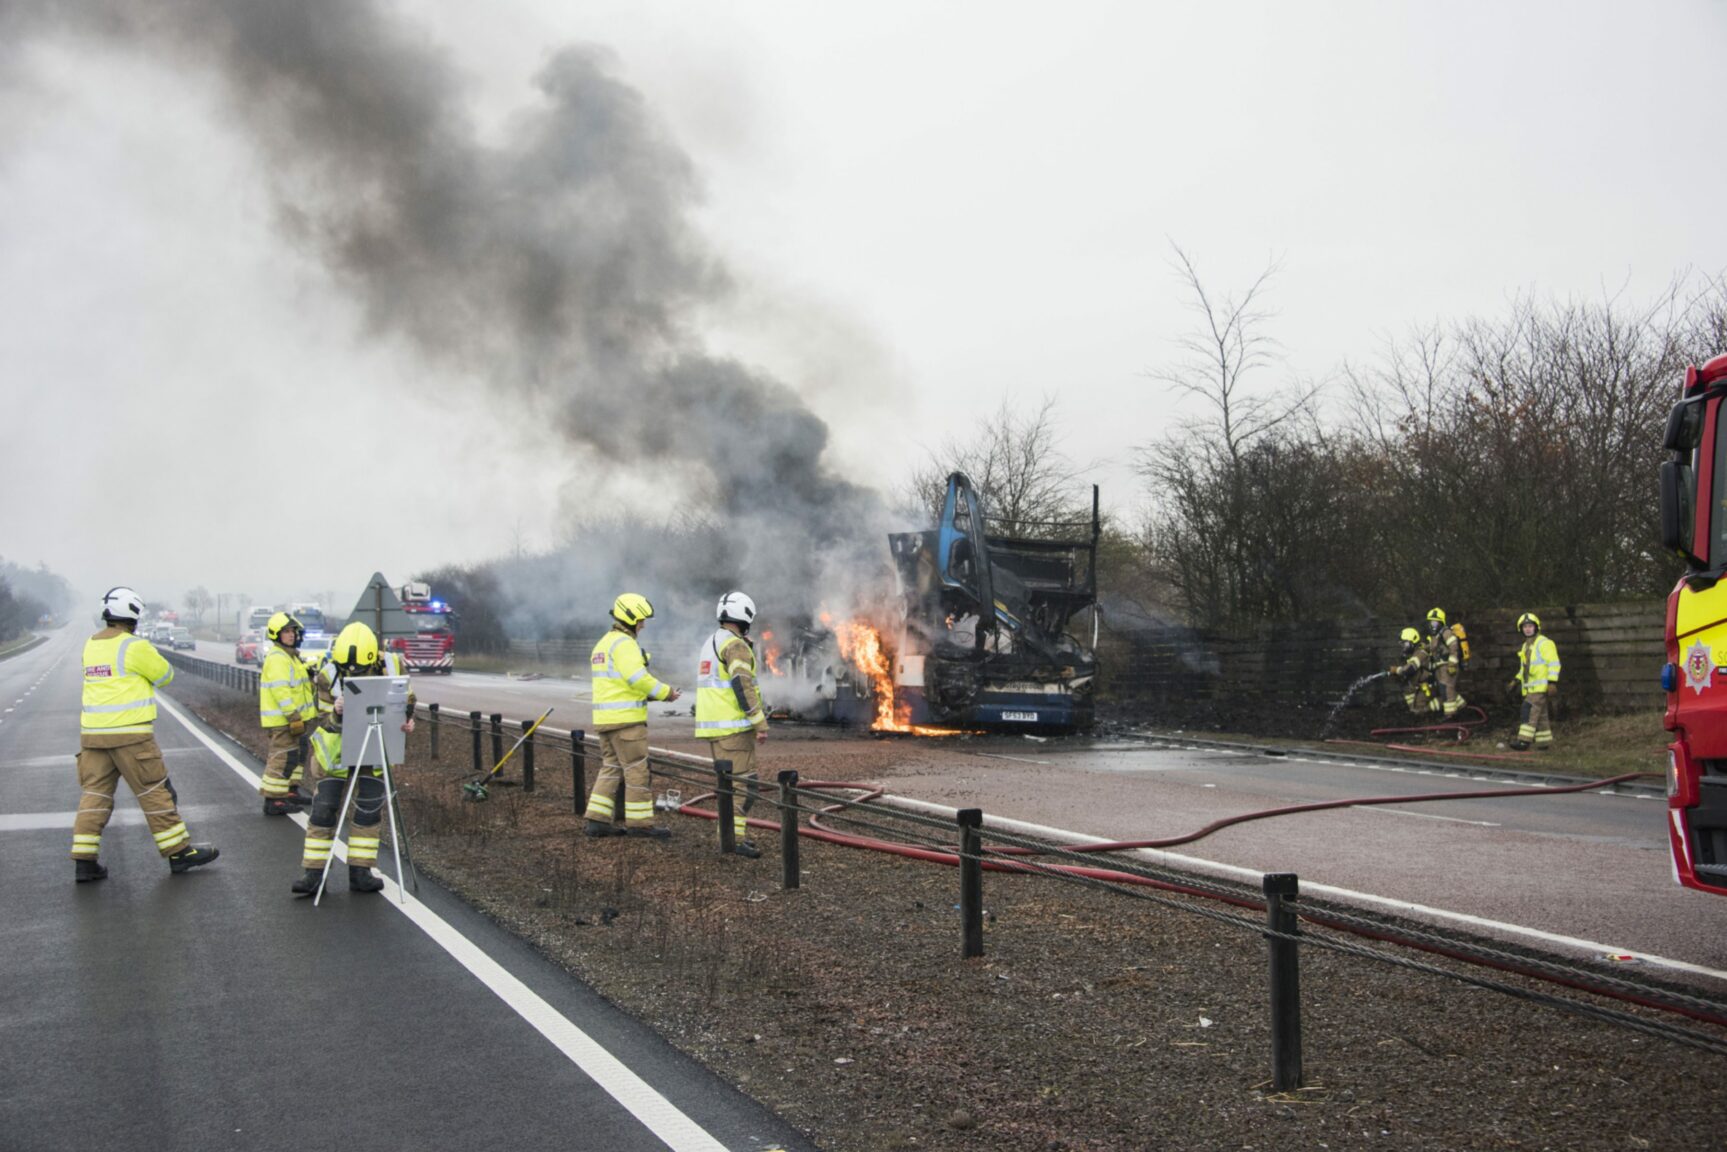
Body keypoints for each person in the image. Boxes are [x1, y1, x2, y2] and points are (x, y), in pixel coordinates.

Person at [72, 587, 218, 881]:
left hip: (93, 737)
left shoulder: (90, 645)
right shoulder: (134, 646)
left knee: (94, 796)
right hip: (131, 737)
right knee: (155, 792)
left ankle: (84, 863)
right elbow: (165, 675)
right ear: (133, 614)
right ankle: (179, 853)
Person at [290, 622, 414, 896]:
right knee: (324, 812)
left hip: (374, 752)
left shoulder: (392, 665)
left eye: (359, 670)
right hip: (334, 756)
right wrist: (335, 711)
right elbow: (321, 717)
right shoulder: (327, 674)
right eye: (348, 670)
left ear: (373, 656)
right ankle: (313, 875)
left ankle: (361, 872)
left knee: (368, 812)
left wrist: (407, 720)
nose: (352, 674)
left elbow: (407, 700)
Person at [583, 593, 681, 839]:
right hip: (627, 722)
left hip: (606, 721)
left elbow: (618, 684)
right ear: (631, 618)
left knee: (610, 768)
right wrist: (666, 692)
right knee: (637, 770)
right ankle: (640, 825)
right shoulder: (625, 644)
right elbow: (637, 678)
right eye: (641, 620)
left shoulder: (603, 643)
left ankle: (597, 821)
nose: (644, 625)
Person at [695, 591, 769, 859]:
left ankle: (730, 838)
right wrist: (759, 721)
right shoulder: (735, 646)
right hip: (733, 729)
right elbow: (742, 684)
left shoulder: (712, 641)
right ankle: (732, 840)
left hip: (715, 728)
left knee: (728, 787)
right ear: (746, 617)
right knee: (744, 787)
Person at [258, 611, 316, 816]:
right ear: (277, 635)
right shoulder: (278, 658)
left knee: (296, 755)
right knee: (281, 757)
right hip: (284, 720)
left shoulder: (291, 657)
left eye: (293, 631)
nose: (291, 635)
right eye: (286, 632)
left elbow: (299, 686)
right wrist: (292, 715)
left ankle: (290, 790)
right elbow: (280, 690)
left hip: (296, 719)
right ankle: (274, 799)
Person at [1510, 612, 1561, 750]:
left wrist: (1552, 682)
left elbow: (1554, 663)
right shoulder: (1526, 646)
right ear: (1521, 629)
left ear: (1536, 627)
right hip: (1531, 688)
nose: (1527, 629)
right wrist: (1516, 680)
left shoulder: (1544, 643)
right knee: (1541, 715)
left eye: (1530, 626)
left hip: (1540, 688)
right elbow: (1524, 669)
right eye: (1525, 626)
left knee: (1528, 711)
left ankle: (1523, 741)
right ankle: (1544, 743)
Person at [1424, 607, 1466, 719]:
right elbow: (1435, 648)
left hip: (1447, 666)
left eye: (1435, 622)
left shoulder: (1446, 632)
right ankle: (1462, 707)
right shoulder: (1436, 635)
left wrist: (1452, 664)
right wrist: (1425, 647)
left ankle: (1450, 715)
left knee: (1447, 689)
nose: (1433, 625)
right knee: (1446, 688)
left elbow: (1454, 646)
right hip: (1440, 667)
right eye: (1431, 622)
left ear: (1441, 622)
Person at [1387, 626, 1439, 717]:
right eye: (1402, 644)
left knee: (1419, 710)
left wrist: (1396, 670)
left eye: (1405, 644)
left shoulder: (1420, 653)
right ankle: (1414, 709)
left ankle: (1443, 701)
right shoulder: (1414, 653)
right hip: (1420, 686)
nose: (1403, 647)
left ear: (1413, 642)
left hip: (1428, 687)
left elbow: (1409, 669)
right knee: (1413, 708)